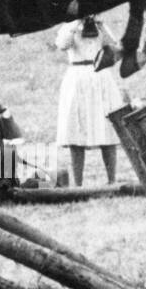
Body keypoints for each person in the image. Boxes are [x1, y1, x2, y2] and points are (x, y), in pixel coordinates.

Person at [54, 16, 123, 185]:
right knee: (76, 128)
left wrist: (100, 23)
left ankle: (111, 179)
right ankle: (78, 183)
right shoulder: (69, 26)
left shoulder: (100, 26)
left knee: (107, 126)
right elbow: (62, 44)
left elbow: (114, 46)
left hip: (100, 75)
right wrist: (76, 23)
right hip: (77, 75)